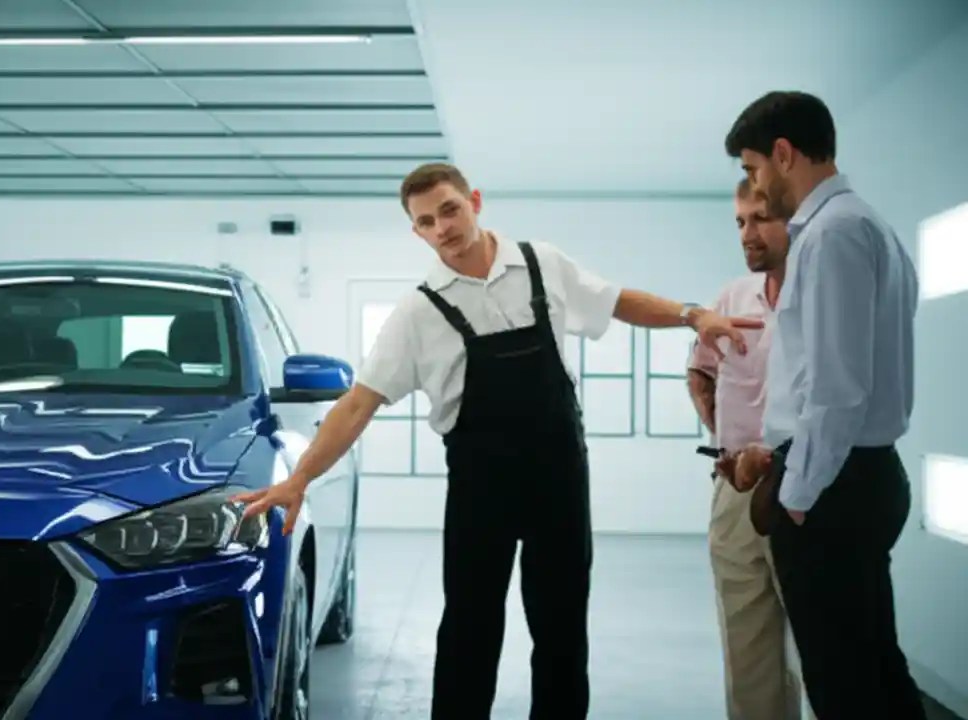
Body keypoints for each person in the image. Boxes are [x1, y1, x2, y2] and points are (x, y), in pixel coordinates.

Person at [232, 162, 761, 719]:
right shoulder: (418, 311)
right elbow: (360, 401)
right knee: (469, 630)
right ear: (417, 232)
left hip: (558, 479)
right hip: (480, 488)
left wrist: (692, 315)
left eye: (450, 210)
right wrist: (300, 477)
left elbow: (615, 301)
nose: (443, 227)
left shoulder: (542, 264)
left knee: (560, 630)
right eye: (427, 221)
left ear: (475, 201)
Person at [723, 91, 925, 719]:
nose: (756, 187)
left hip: (835, 486)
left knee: (842, 684)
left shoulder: (833, 234)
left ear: (784, 155)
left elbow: (836, 390)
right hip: (860, 476)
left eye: (755, 169)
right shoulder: (868, 227)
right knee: (875, 671)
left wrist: (798, 493)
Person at [687, 177, 810, 720]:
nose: (747, 233)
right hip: (733, 492)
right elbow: (699, 371)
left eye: (759, 218)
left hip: (805, 487)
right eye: (739, 222)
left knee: (823, 647)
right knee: (747, 649)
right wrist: (723, 441)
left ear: (792, 215)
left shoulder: (820, 295)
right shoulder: (732, 297)